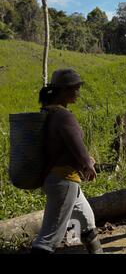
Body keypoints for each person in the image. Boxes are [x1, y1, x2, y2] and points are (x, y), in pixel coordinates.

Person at [31, 69, 102, 254]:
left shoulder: (47, 112)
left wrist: (85, 162)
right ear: (63, 91)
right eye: (75, 89)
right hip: (64, 180)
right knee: (48, 238)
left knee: (87, 221)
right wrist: (88, 164)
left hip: (56, 179)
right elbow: (76, 144)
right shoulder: (63, 115)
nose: (78, 93)